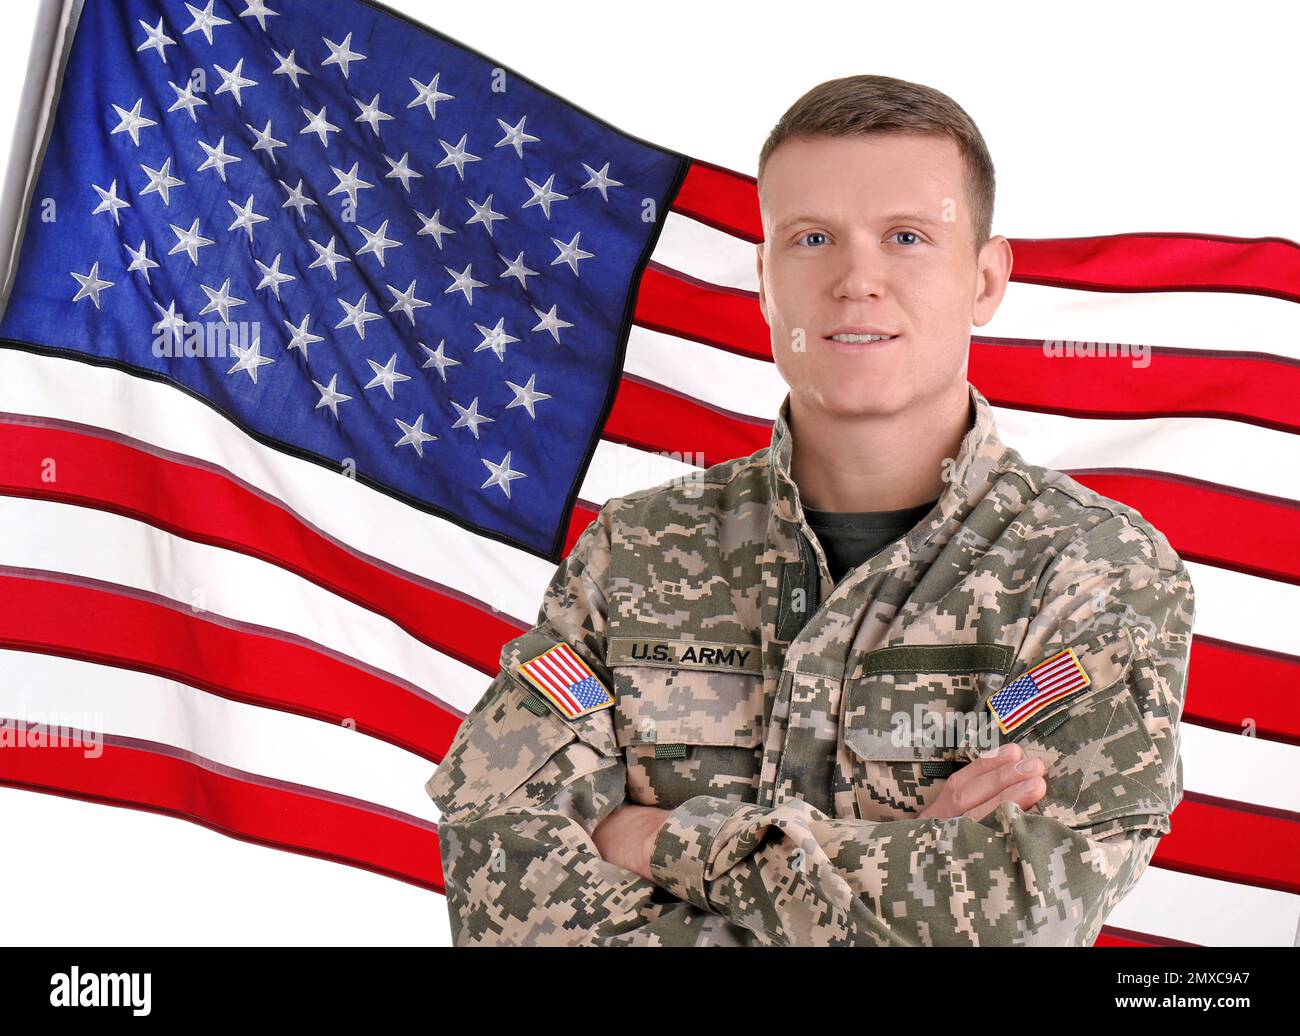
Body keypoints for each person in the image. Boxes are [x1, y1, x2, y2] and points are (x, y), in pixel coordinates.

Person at [426, 74, 1196, 946]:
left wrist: (658, 839)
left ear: (985, 280)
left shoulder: (1092, 570)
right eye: (813, 238)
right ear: (766, 278)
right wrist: (908, 862)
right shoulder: (629, 555)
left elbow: (1022, 915)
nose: (857, 280)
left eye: (907, 237)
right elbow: (500, 884)